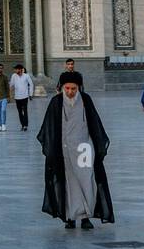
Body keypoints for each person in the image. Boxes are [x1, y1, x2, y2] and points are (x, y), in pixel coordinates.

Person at [37, 73, 114, 230]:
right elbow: (48, 128)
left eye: (73, 88)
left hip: (84, 149)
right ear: (62, 87)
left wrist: (97, 147)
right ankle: (70, 217)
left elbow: (95, 124)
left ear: (79, 87)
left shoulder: (86, 100)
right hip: (64, 151)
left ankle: (85, 216)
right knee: (68, 183)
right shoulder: (56, 102)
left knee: (87, 181)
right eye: (67, 88)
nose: (70, 92)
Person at [10, 63, 34, 130]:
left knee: (25, 111)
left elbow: (31, 84)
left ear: (20, 69)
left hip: (25, 96)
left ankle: (26, 125)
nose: (15, 70)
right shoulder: (14, 76)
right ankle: (22, 125)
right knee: (20, 112)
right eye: (15, 69)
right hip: (17, 97)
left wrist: (30, 94)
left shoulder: (26, 76)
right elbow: (11, 85)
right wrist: (9, 94)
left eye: (17, 69)